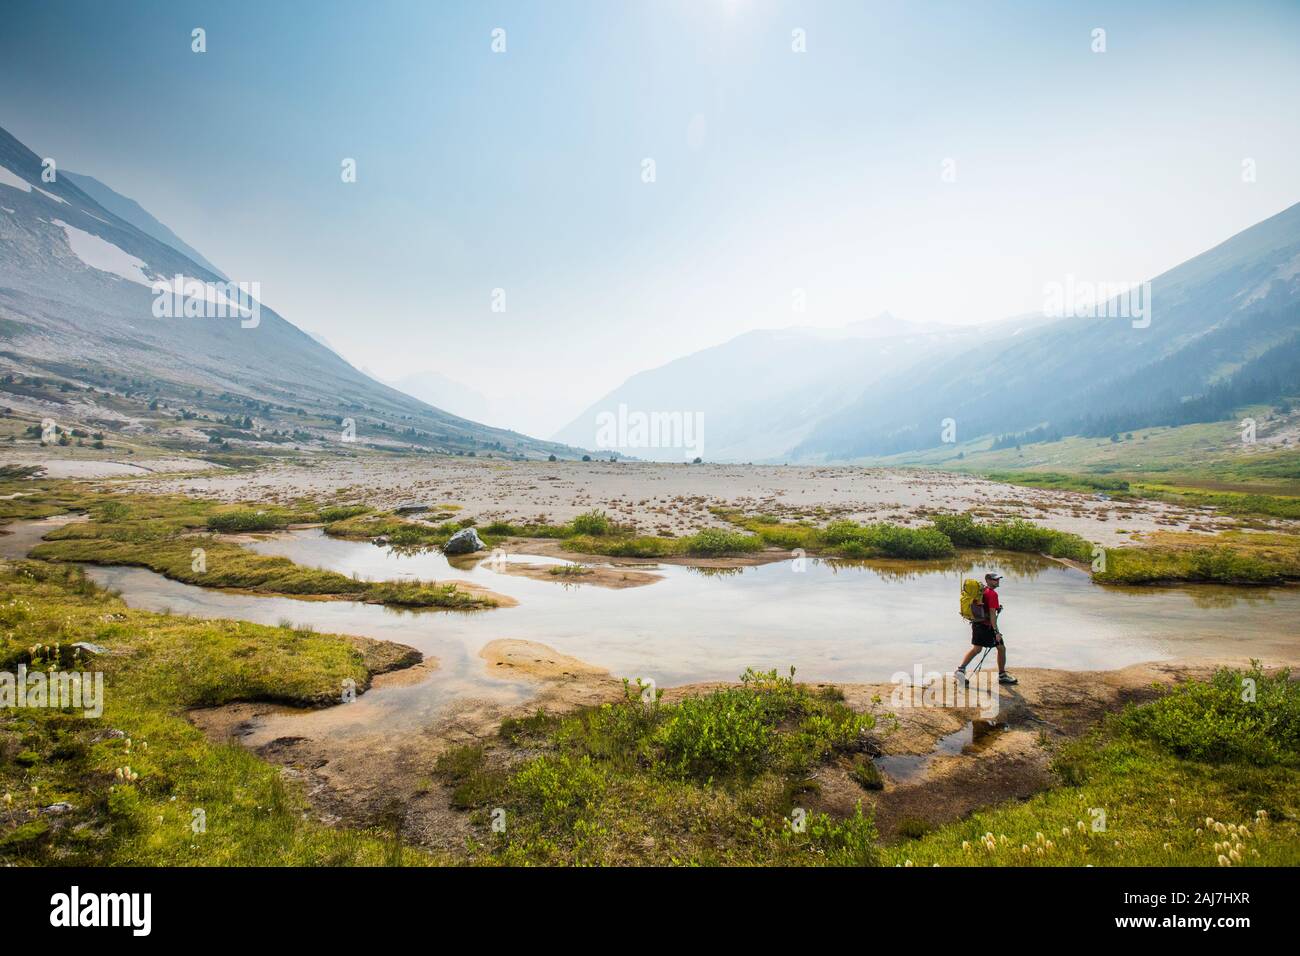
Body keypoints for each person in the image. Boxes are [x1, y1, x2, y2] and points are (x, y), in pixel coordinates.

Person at [956, 572, 1018, 685]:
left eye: (998, 579)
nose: (997, 581)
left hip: (976, 624)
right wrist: (996, 632)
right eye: (995, 579)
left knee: (978, 649)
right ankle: (1002, 675)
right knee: (1001, 648)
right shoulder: (993, 594)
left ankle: (960, 670)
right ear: (988, 580)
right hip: (986, 626)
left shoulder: (982, 591)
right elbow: (992, 615)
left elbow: (985, 608)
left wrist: (995, 609)